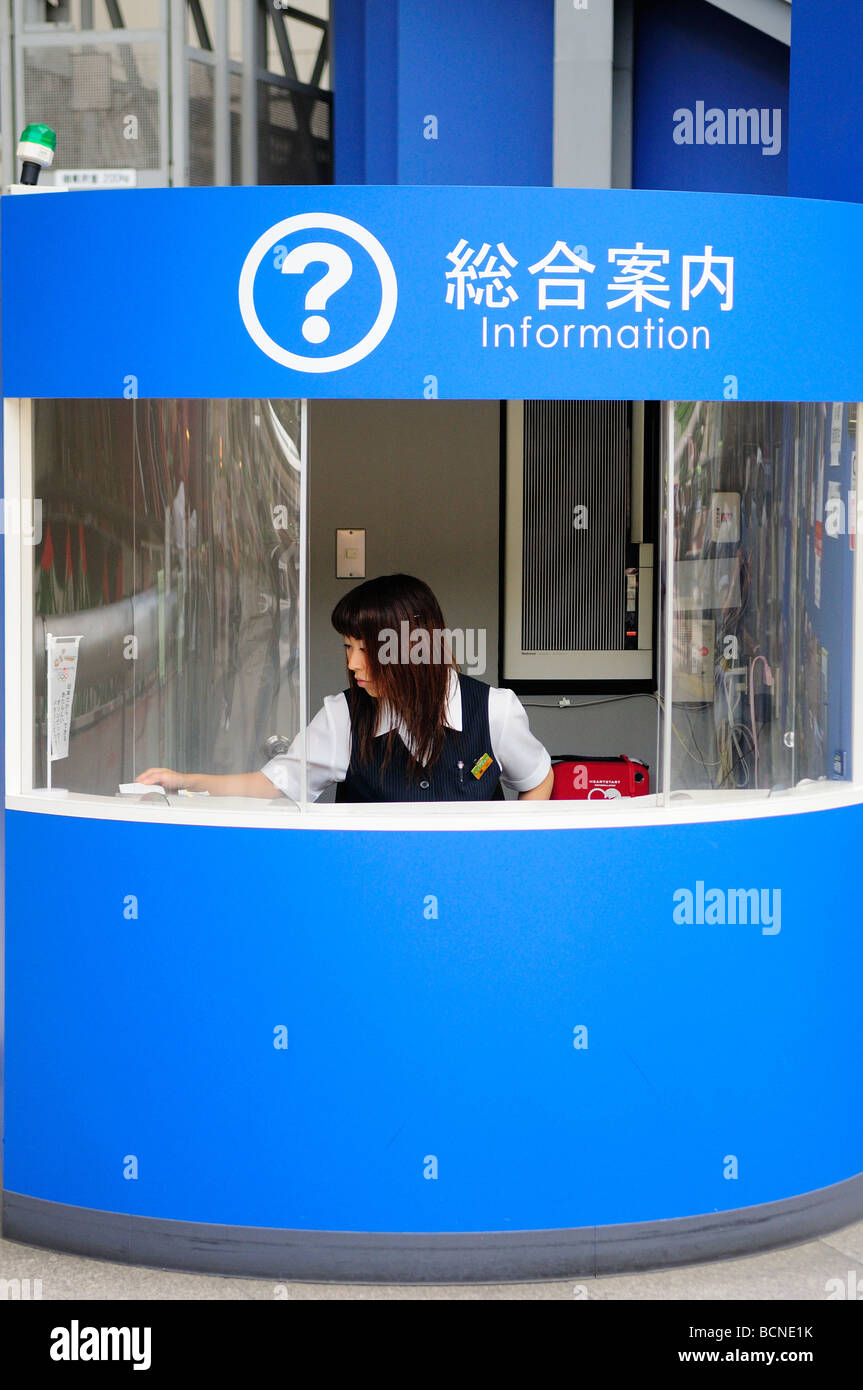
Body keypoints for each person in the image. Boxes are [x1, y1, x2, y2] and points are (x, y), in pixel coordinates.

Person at [135, 574, 554, 803]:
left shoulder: (493, 710)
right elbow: (272, 784)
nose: (352, 664)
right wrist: (185, 780)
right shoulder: (342, 718)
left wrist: (512, 855)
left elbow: (538, 778)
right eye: (348, 648)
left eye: (365, 650)